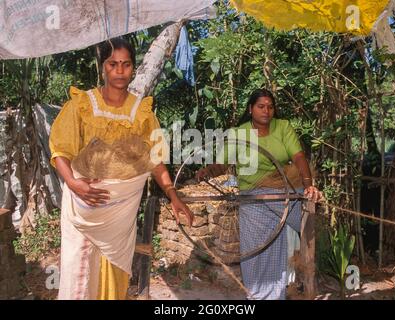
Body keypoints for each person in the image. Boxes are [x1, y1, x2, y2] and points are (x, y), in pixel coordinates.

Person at [49, 37, 193, 300]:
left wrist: (173, 194)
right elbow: (61, 151)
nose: (119, 70)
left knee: (114, 275)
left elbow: (155, 159)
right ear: (102, 67)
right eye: (112, 64)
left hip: (120, 216)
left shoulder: (143, 114)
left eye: (126, 64)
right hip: (82, 209)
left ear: (133, 68)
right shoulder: (81, 106)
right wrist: (72, 182)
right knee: (79, 274)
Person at [196, 88, 321, 300]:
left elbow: (299, 157)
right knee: (256, 251)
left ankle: (292, 288)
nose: (266, 111)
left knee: (304, 224)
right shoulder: (239, 133)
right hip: (253, 198)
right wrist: (208, 171)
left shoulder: (283, 127)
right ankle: (258, 297)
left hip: (285, 194)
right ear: (250, 109)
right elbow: (222, 163)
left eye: (270, 107)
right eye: (261, 106)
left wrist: (308, 185)